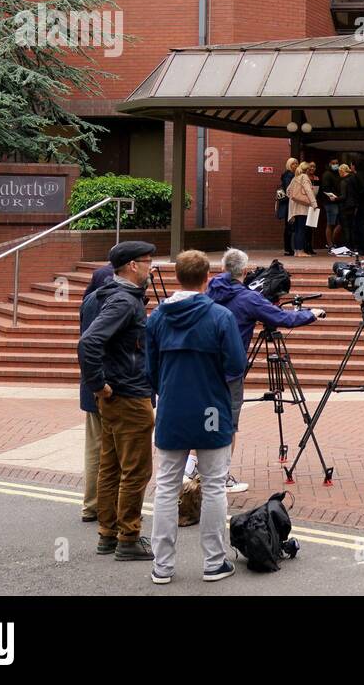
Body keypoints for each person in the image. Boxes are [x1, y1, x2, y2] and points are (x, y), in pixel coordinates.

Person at [145, 250, 248, 585]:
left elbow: (150, 371)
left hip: (173, 407)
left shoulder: (158, 317)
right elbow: (236, 366)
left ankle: (162, 565)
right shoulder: (220, 317)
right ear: (208, 278)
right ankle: (214, 562)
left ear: (177, 276)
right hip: (211, 410)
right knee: (215, 485)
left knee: (165, 487)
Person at [207, 248, 326, 492]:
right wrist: (311, 314)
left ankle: (195, 468)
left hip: (204, 367)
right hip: (229, 370)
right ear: (244, 271)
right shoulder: (248, 299)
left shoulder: (209, 290)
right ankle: (220, 476)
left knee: (208, 418)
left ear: (222, 269)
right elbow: (282, 319)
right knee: (228, 423)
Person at [78, 240, 159, 560]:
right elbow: (89, 343)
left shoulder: (104, 296)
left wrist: (101, 387)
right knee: (136, 471)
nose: (152, 267)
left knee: (110, 469)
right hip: (129, 396)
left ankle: (107, 534)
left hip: (116, 397)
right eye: (148, 262)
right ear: (132, 266)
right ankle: (128, 537)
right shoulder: (124, 301)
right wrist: (99, 385)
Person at [78, 263, 114, 523]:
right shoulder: (116, 303)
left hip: (92, 384)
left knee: (94, 448)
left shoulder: (88, 300)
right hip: (110, 386)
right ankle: (110, 507)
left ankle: (91, 505)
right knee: (120, 450)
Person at [286, 161, 317, 257]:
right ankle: (301, 251)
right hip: (303, 208)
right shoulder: (304, 177)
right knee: (301, 230)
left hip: (295, 208)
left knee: (297, 230)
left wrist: (296, 199)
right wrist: (314, 203)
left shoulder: (295, 178)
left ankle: (296, 251)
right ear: (306, 169)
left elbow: (288, 191)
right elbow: (308, 190)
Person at [341, 161, 364, 255]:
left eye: (351, 165)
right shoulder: (362, 176)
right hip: (362, 204)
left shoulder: (357, 176)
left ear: (353, 166)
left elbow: (361, 190)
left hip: (359, 205)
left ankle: (362, 248)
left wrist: (357, 203)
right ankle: (362, 248)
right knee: (361, 225)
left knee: (360, 226)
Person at [320, 157, 342, 250]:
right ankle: (330, 244)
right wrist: (333, 196)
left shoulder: (337, 174)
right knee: (330, 224)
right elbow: (325, 188)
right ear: (330, 164)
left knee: (339, 223)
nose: (335, 165)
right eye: (333, 163)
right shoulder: (327, 174)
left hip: (337, 201)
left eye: (337, 163)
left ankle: (333, 242)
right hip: (330, 202)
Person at [279, 157, 297, 256]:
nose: (296, 165)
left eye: (297, 163)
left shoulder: (291, 175)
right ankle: (288, 248)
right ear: (289, 165)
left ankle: (289, 248)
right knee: (289, 226)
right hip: (288, 204)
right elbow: (288, 191)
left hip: (288, 204)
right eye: (293, 164)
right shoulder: (288, 176)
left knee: (289, 226)